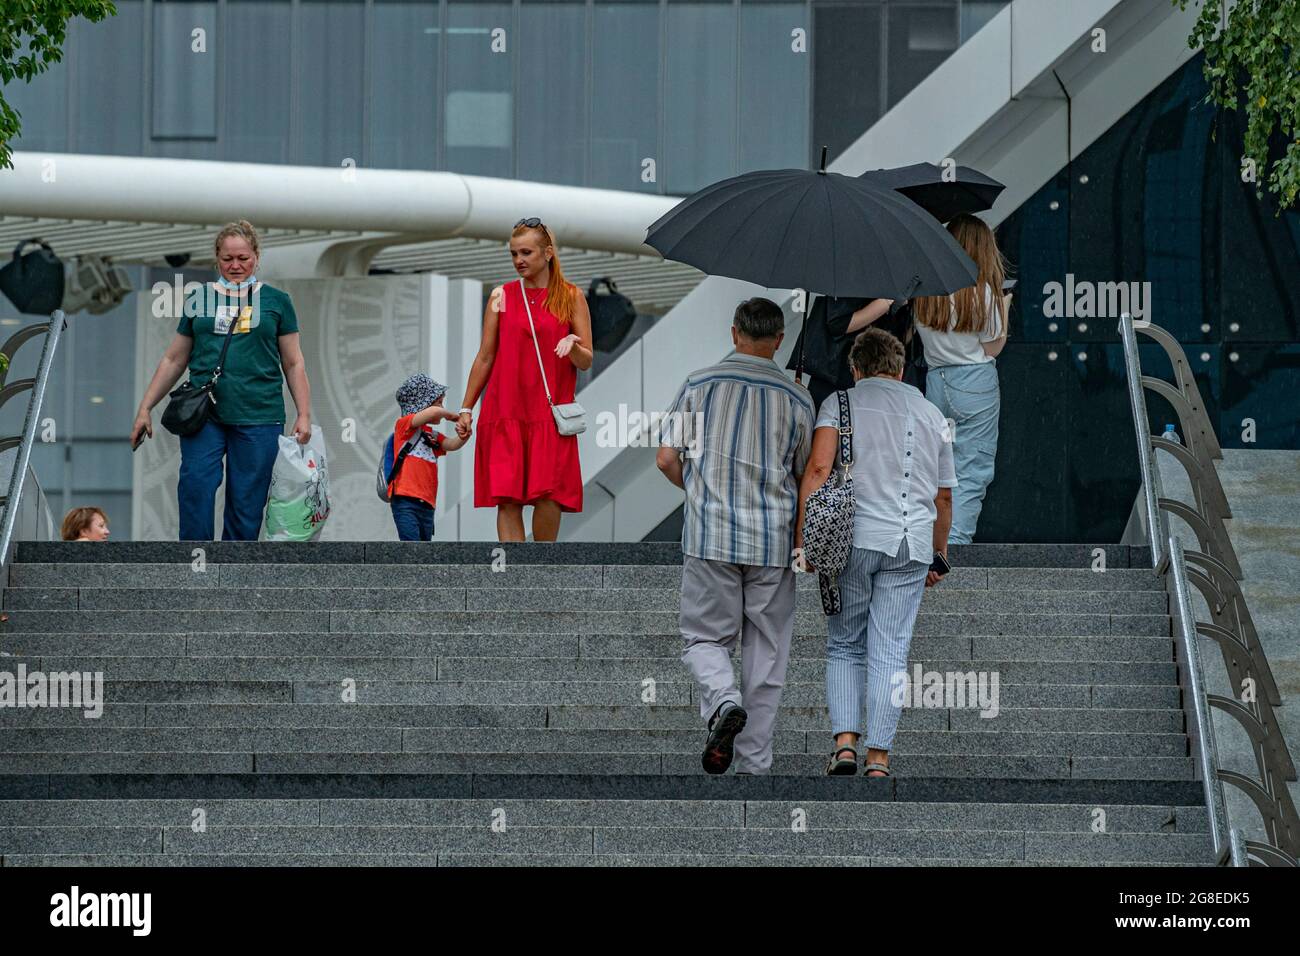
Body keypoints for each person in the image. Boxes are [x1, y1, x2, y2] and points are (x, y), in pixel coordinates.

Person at [656, 297, 814, 775]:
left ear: (733, 333)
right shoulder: (797, 399)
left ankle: (724, 701)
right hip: (772, 543)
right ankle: (754, 766)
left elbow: (666, 458)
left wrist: (698, 493)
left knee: (704, 639)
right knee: (766, 657)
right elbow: (805, 475)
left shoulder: (698, 385)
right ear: (779, 340)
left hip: (710, 537)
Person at [795, 327, 955, 778]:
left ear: (855, 368)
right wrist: (938, 552)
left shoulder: (839, 403)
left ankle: (845, 745)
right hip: (911, 544)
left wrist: (804, 541)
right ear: (901, 370)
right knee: (891, 649)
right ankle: (879, 759)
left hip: (852, 539)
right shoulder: (932, 413)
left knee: (845, 643)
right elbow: (944, 496)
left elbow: (819, 469)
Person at [131, 220, 313, 541]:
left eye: (243, 258)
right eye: (228, 258)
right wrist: (145, 408)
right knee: (195, 484)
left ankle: (234, 568)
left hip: (259, 414)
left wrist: (304, 413)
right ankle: (195, 559)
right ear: (217, 258)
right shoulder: (199, 298)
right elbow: (174, 358)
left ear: (256, 257)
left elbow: (293, 361)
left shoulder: (277, 301)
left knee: (247, 501)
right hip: (204, 412)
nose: (235, 265)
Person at [455, 219, 593, 542]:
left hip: (549, 415)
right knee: (507, 498)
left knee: (549, 496)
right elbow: (485, 357)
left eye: (526, 253)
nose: (519, 260)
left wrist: (572, 345)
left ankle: (542, 566)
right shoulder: (500, 296)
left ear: (548, 253)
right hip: (505, 409)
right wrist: (466, 408)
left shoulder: (571, 296)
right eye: (514, 254)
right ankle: (514, 571)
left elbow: (587, 360)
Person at [909, 213, 1009, 544]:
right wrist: (1005, 309)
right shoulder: (984, 293)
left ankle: (928, 540)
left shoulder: (927, 292)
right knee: (973, 469)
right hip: (975, 384)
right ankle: (955, 545)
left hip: (936, 384)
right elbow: (992, 347)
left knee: (936, 466)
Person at [786, 295, 926, 411]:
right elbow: (838, 323)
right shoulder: (855, 278)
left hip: (869, 377)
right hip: (837, 374)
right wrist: (886, 301)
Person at [386, 373, 466, 541]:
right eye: (439, 402)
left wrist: (463, 437)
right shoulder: (404, 426)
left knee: (424, 549)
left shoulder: (432, 435)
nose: (441, 407)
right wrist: (451, 416)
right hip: (405, 500)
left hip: (427, 504)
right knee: (411, 546)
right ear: (423, 404)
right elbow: (433, 412)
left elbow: (451, 444)